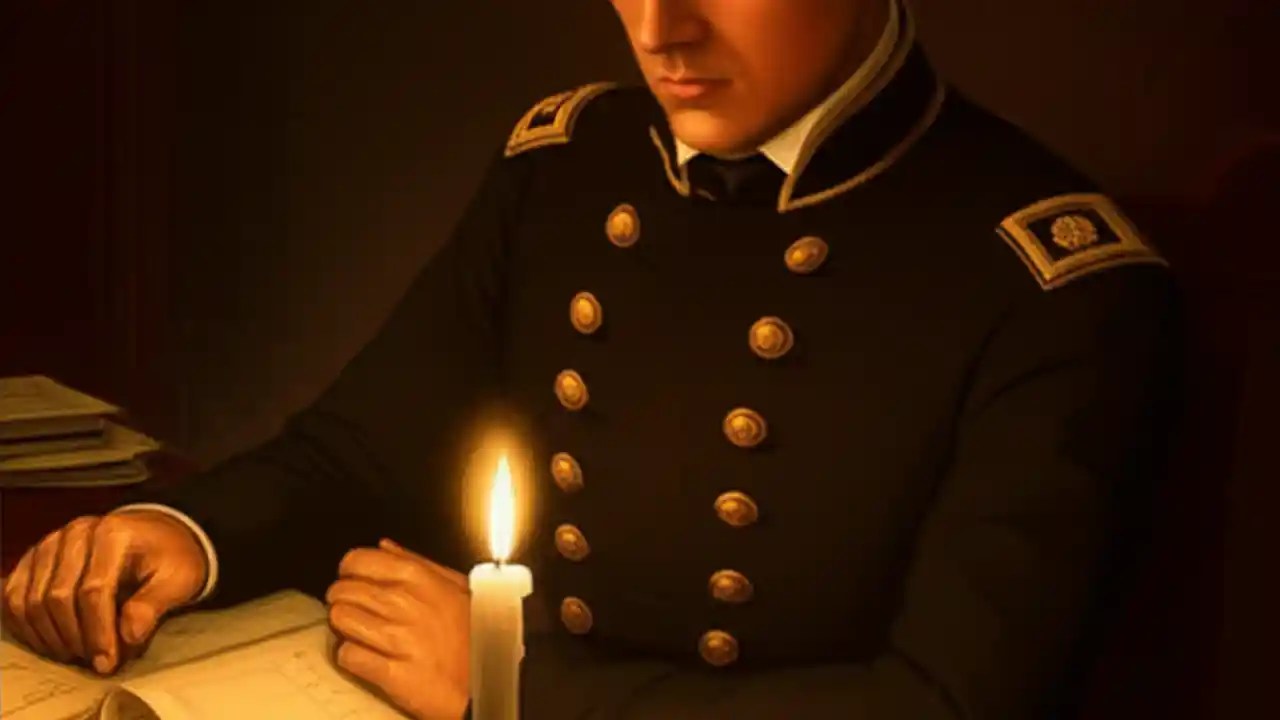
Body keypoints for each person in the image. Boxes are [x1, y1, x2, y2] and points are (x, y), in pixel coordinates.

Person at [2, 0, 1181, 717]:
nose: (662, 34)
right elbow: (360, 450)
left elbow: (947, 707)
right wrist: (189, 538)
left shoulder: (1045, 277)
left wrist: (515, 691)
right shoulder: (569, 161)